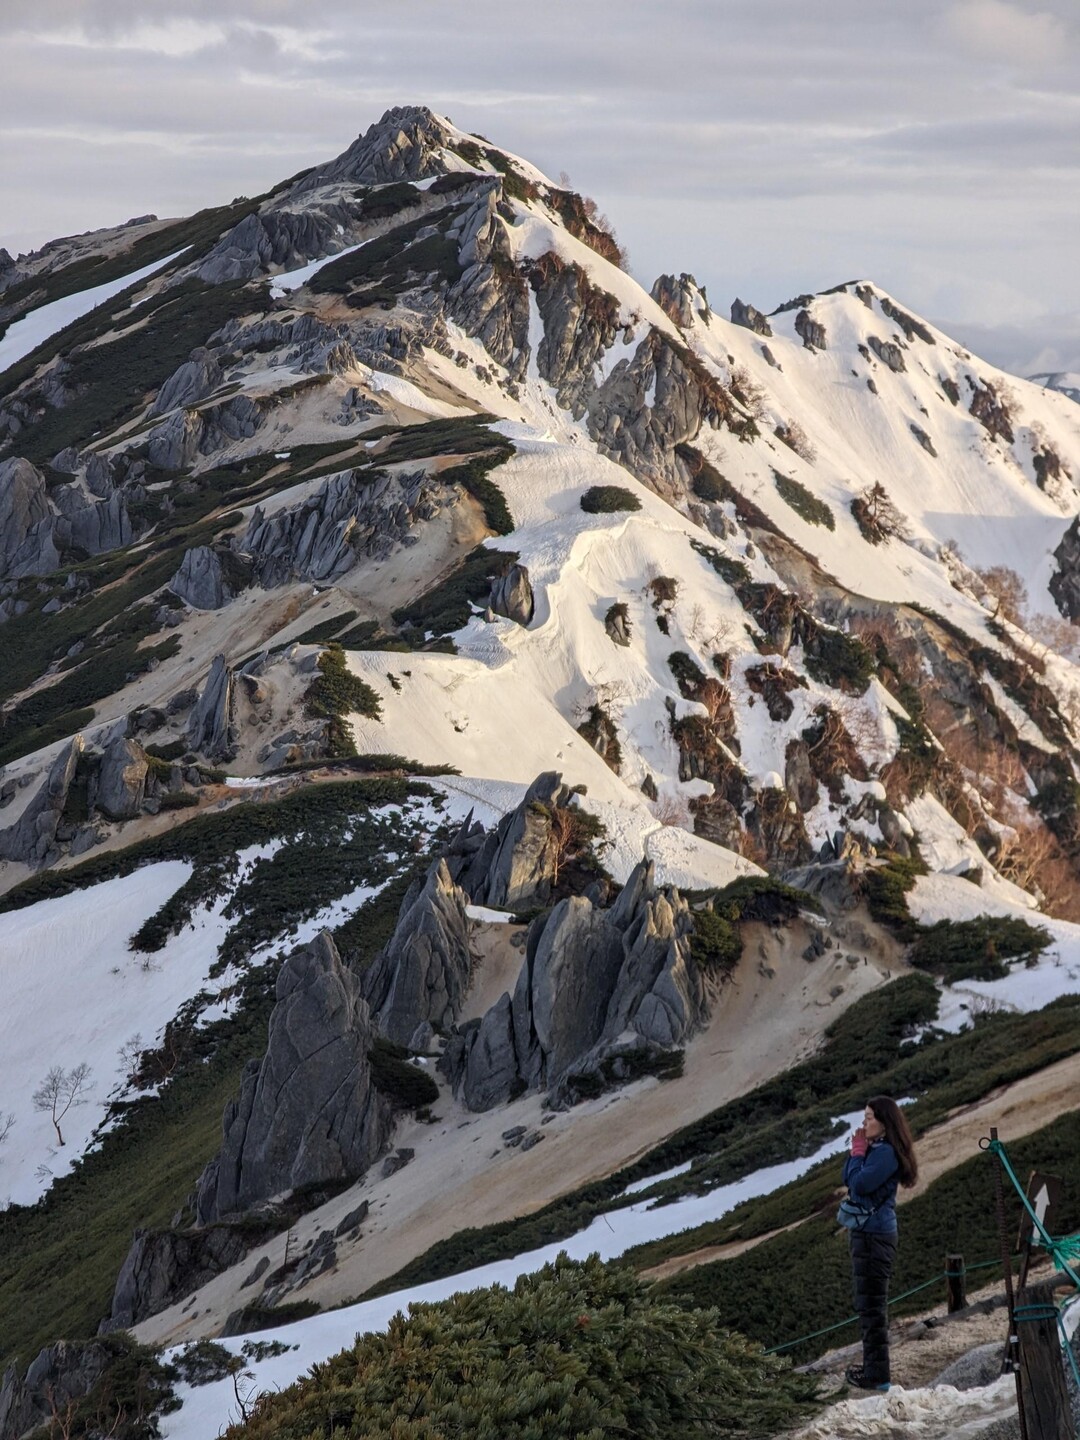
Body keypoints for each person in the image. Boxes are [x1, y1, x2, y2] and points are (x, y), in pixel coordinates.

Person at [842, 1096, 918, 1392]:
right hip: (867, 1234)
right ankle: (874, 1371)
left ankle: (879, 1377)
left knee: (872, 1306)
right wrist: (858, 1153)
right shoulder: (875, 1151)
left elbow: (859, 1184)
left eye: (869, 1117)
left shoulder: (885, 1154)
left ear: (885, 1122)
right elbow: (848, 1177)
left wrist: (858, 1154)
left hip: (875, 1236)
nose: (864, 1123)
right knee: (868, 1304)